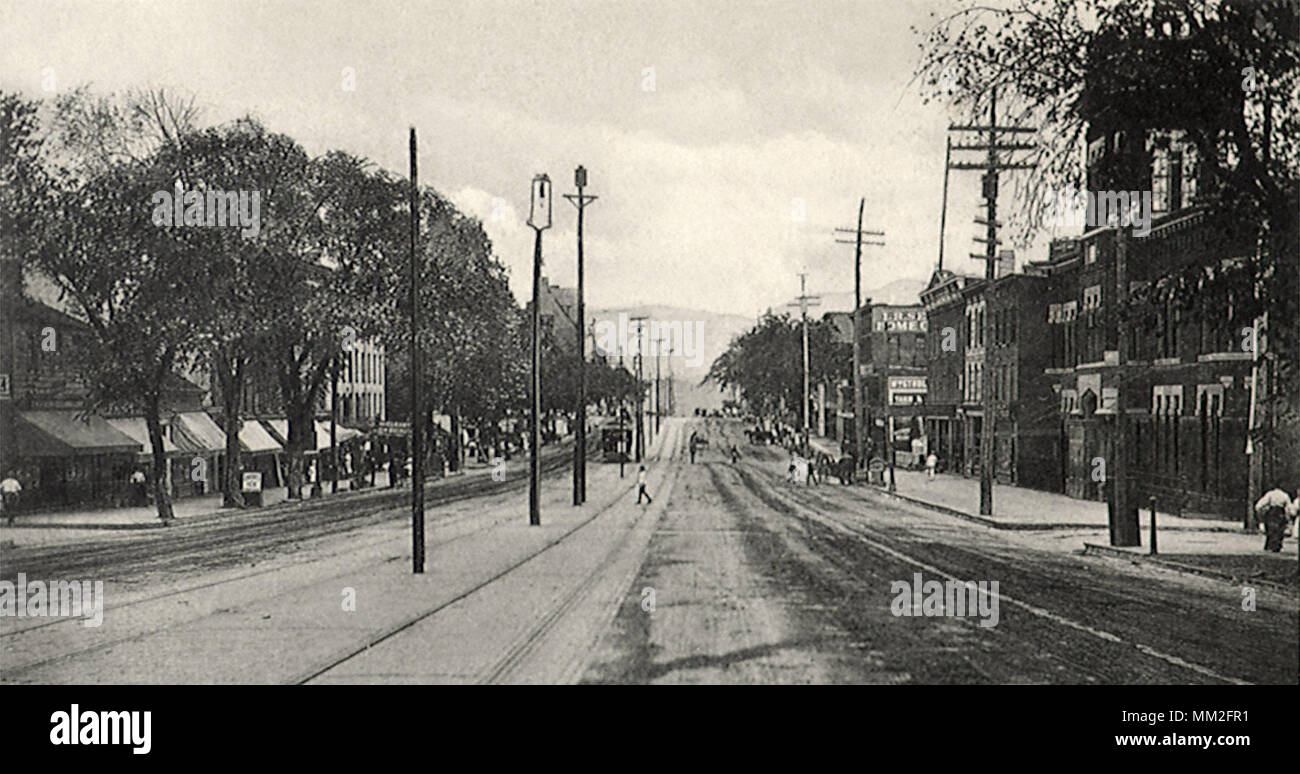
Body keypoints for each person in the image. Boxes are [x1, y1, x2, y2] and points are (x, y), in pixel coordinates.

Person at [1253, 485, 1293, 552]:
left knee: (1271, 529)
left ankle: (1270, 545)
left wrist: (1259, 509)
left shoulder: (1270, 494)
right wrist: (1289, 514)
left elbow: (1262, 503)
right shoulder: (1285, 495)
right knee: (1279, 530)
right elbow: (1288, 506)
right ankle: (1277, 545)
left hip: (1272, 512)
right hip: (1280, 512)